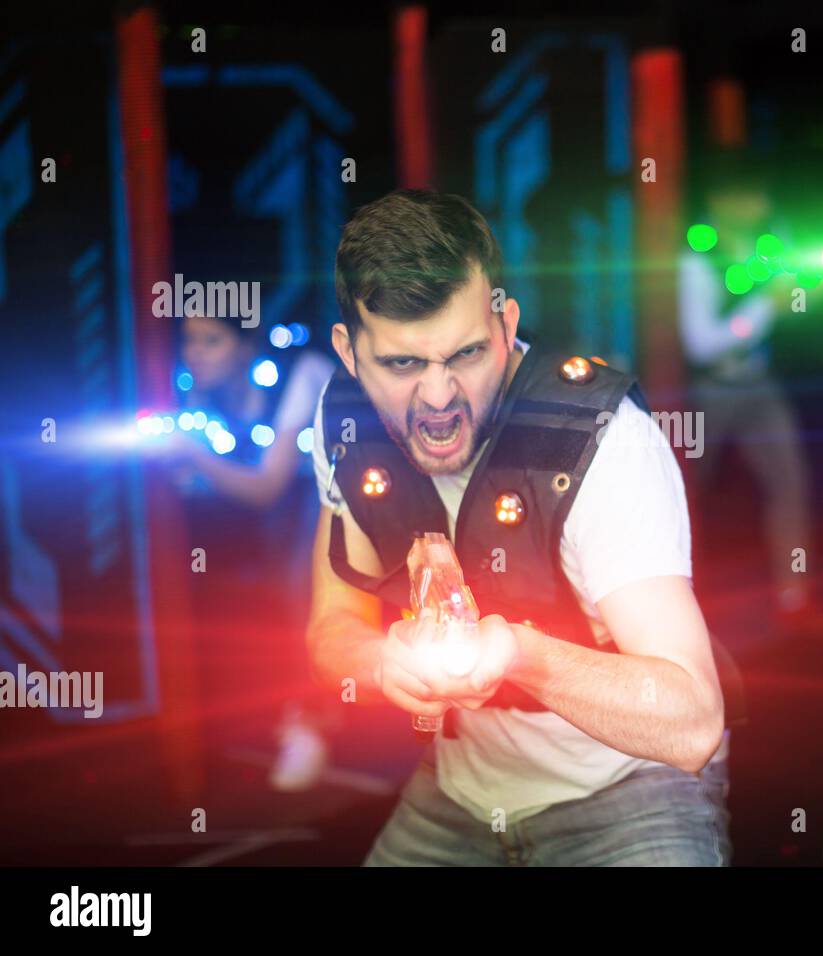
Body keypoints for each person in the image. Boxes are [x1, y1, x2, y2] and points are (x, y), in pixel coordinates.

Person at [307, 189, 733, 866]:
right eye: (403, 364)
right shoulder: (344, 418)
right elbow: (329, 629)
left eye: (468, 354)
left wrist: (519, 657)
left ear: (506, 327)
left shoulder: (604, 439)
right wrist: (381, 660)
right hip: (459, 794)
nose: (439, 398)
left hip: (626, 787)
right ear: (350, 353)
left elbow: (691, 722)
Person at [173, 309, 337, 791]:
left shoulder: (297, 374)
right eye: (189, 340)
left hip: (347, 492)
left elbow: (266, 486)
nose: (194, 353)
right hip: (289, 502)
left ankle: (308, 724)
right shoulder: (199, 392)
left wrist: (194, 457)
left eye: (210, 341)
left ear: (245, 346)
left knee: (296, 591)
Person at [678, 153, 823, 638]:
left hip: (759, 383)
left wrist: (804, 294)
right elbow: (701, 342)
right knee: (682, 496)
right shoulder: (695, 256)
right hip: (706, 392)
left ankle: (796, 600)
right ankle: (677, 616)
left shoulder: (769, 242)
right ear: (721, 202)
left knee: (790, 484)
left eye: (764, 196)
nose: (763, 205)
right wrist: (765, 305)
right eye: (752, 196)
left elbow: (794, 298)